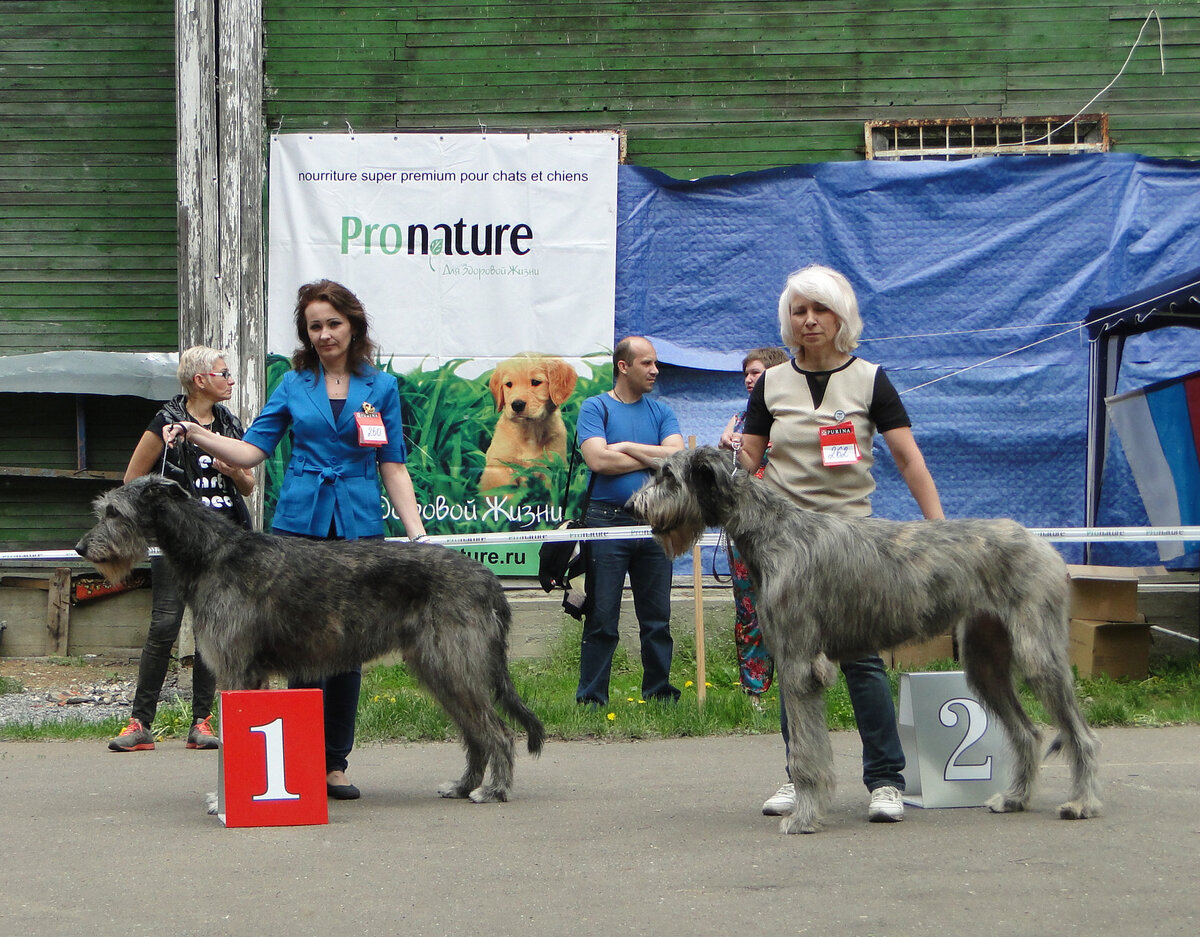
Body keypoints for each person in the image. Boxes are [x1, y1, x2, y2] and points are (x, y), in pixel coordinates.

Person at [162, 279, 427, 800]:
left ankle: (335, 763)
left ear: (353, 325)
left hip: (357, 530)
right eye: (315, 326)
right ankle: (300, 761)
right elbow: (250, 452)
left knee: (349, 649)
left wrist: (417, 536)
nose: (325, 334)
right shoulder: (292, 385)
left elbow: (392, 465)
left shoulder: (382, 388)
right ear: (306, 334)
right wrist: (193, 432)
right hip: (297, 529)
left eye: (333, 323)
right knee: (301, 645)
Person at [738, 264, 944, 824]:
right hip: (783, 543)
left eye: (820, 310)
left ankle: (885, 780)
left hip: (851, 538)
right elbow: (749, 460)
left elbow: (907, 457)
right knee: (792, 658)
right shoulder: (772, 384)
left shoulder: (871, 379)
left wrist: (937, 528)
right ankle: (796, 773)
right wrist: (726, 461)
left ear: (840, 317)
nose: (809, 320)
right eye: (799, 311)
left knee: (861, 659)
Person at [108, 346, 255, 753]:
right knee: (164, 627)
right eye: (224, 373)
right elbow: (132, 480)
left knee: (214, 629)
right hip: (177, 546)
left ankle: (202, 722)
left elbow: (248, 485)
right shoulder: (166, 422)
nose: (230, 380)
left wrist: (233, 473)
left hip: (224, 547)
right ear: (200, 380)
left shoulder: (228, 423)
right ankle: (139, 723)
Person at [575, 336, 686, 705]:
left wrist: (623, 447)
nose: (655, 370)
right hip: (605, 523)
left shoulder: (661, 411)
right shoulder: (594, 407)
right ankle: (591, 699)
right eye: (647, 364)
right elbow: (598, 461)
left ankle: (659, 694)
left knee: (657, 619)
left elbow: (679, 457)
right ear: (623, 366)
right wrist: (655, 457)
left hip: (656, 523)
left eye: (656, 364)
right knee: (602, 617)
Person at [717, 346, 788, 700]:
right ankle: (754, 690)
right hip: (744, 527)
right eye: (746, 373)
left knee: (791, 605)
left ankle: (798, 684)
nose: (748, 379)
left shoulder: (795, 416)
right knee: (749, 607)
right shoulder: (739, 419)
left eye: (756, 372)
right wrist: (725, 445)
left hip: (786, 527)